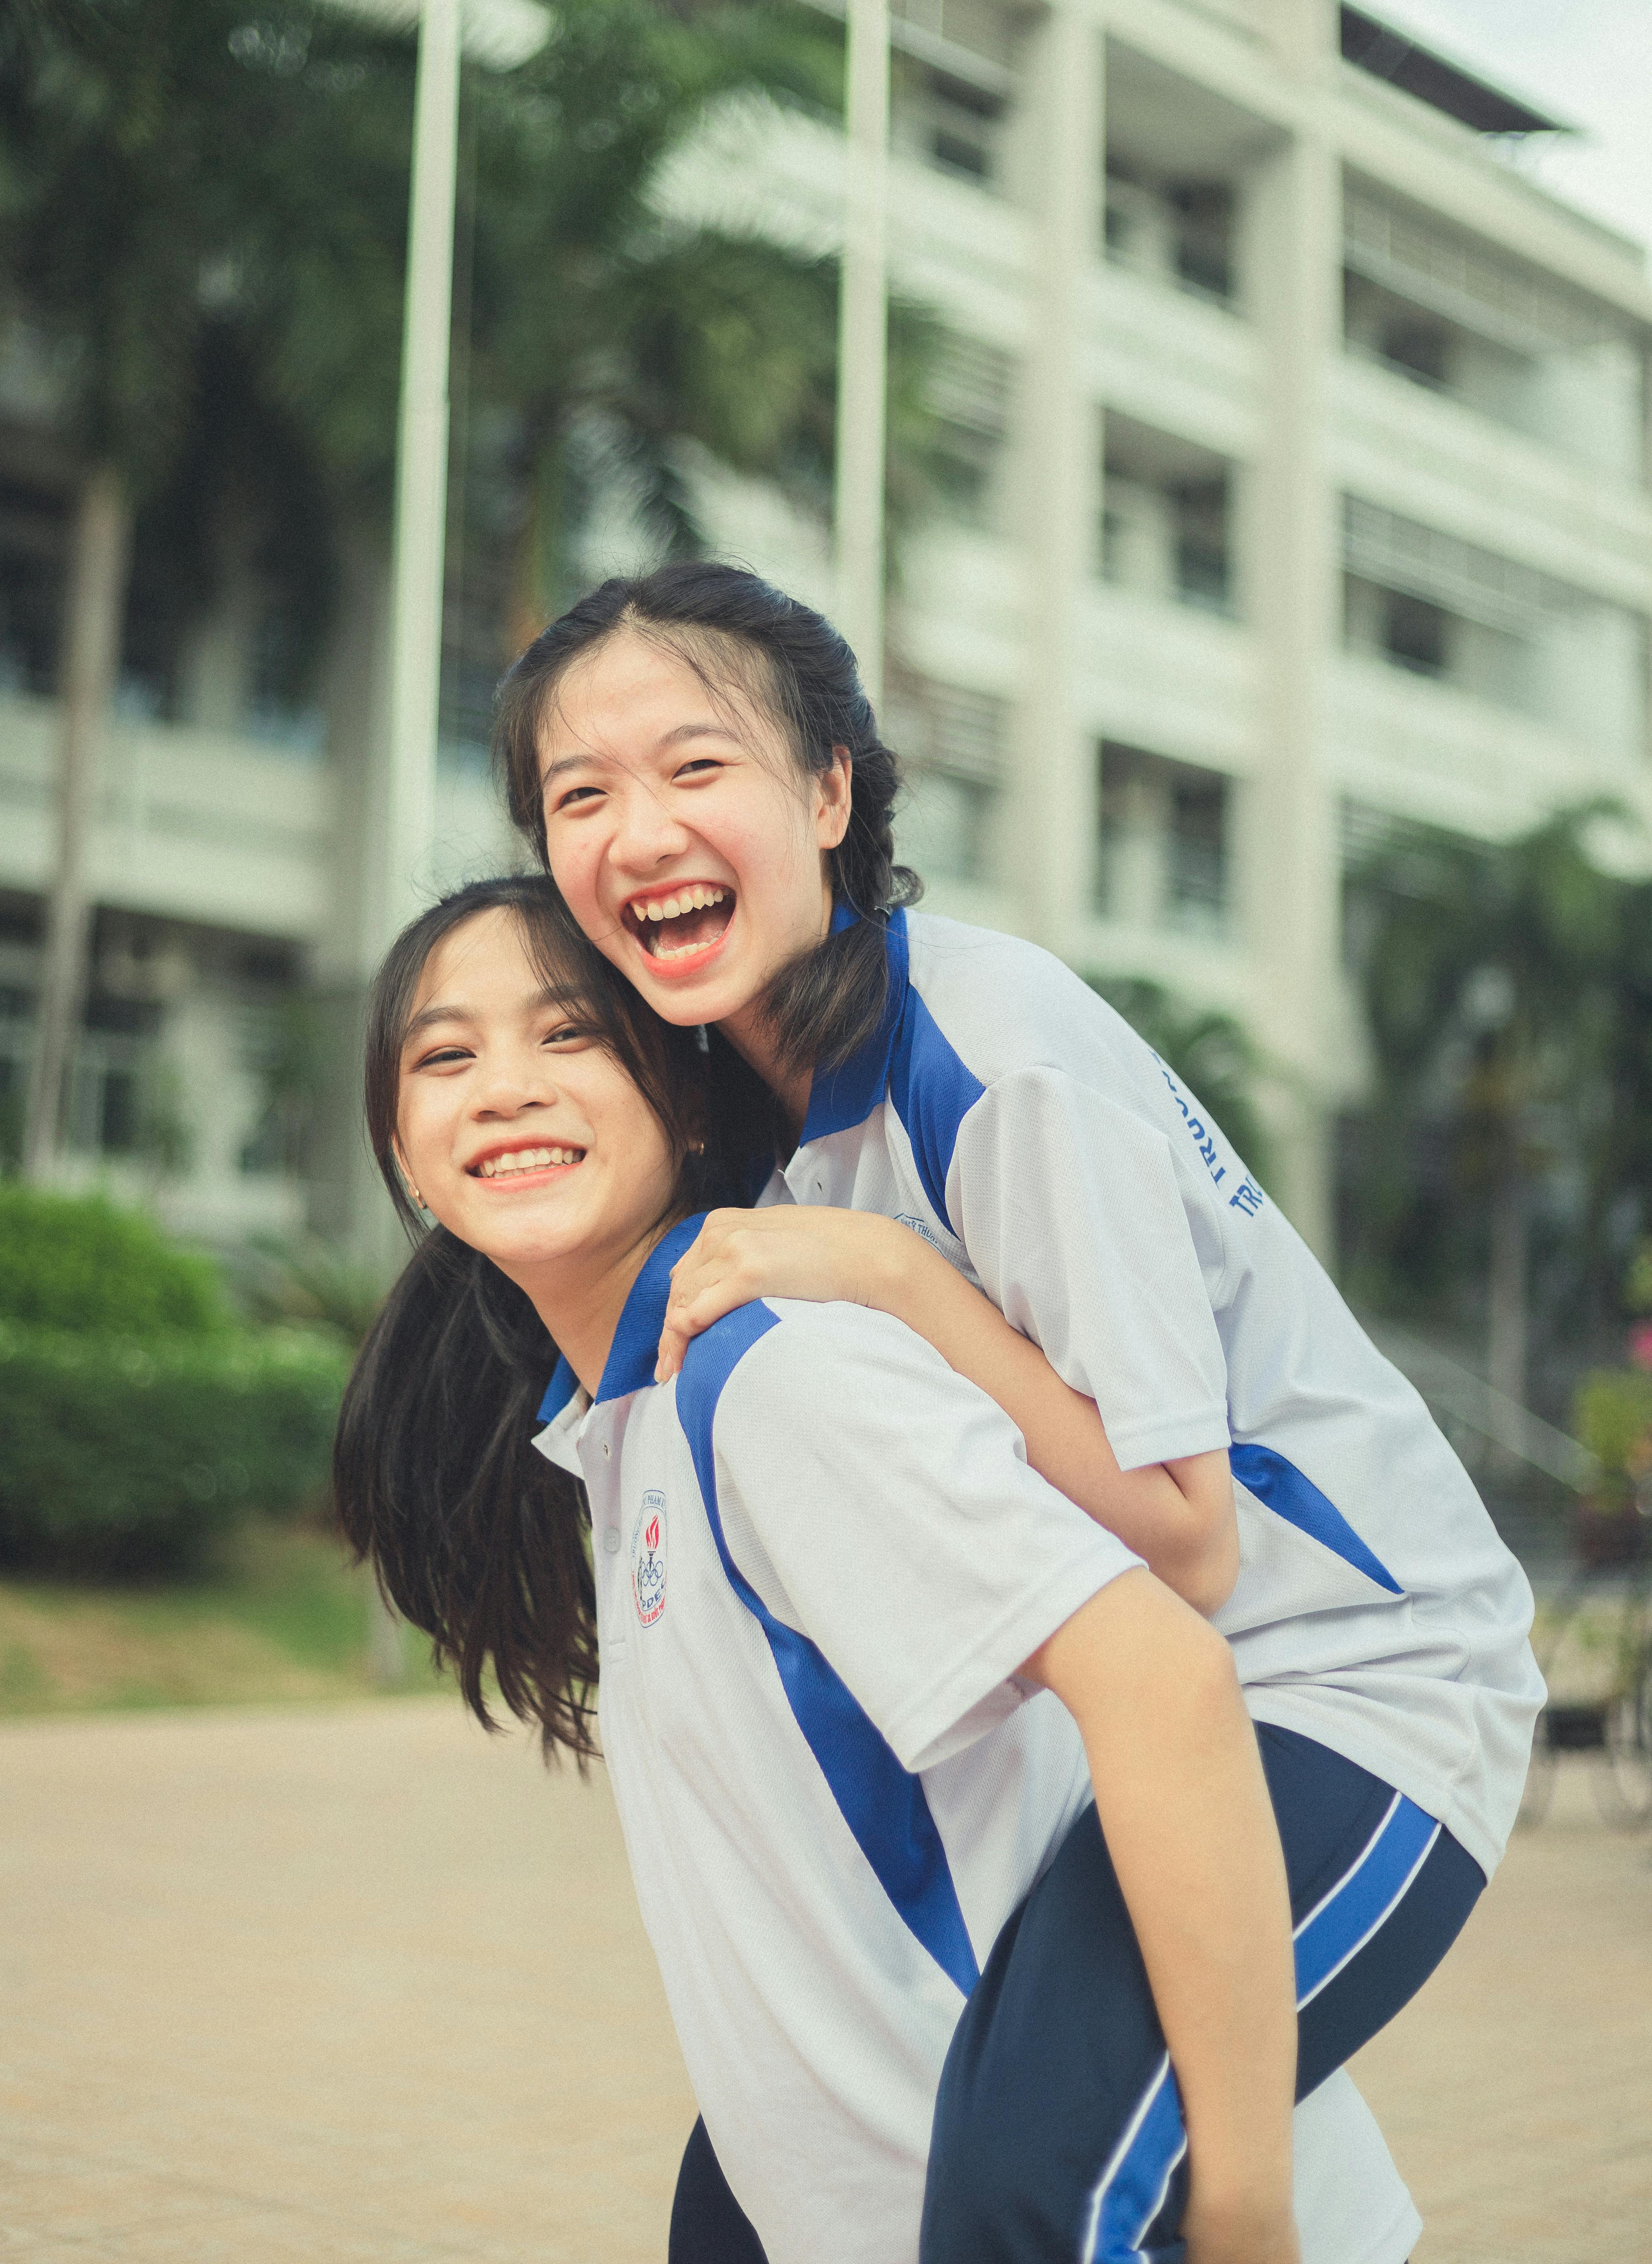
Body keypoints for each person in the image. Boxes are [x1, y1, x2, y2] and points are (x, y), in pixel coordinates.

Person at [491, 562, 1544, 2244]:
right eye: (579, 795)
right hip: (1106, 1726)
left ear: (828, 791)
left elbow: (1191, 1546)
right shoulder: (739, 1115)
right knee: (760, 2190)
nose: (637, 831)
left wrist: (900, 1279)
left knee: (1023, 2192)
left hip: (1350, 1698)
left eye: (696, 770)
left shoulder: (991, 1046)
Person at [338, 878, 1444, 2264]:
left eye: (568, 1037)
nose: (503, 1089)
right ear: (401, 1141)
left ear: (686, 1105)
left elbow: (1167, 1678)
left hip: (1103, 2218)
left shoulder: (772, 1375)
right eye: (447, 1057)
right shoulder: (631, 1429)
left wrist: (1244, 2215)